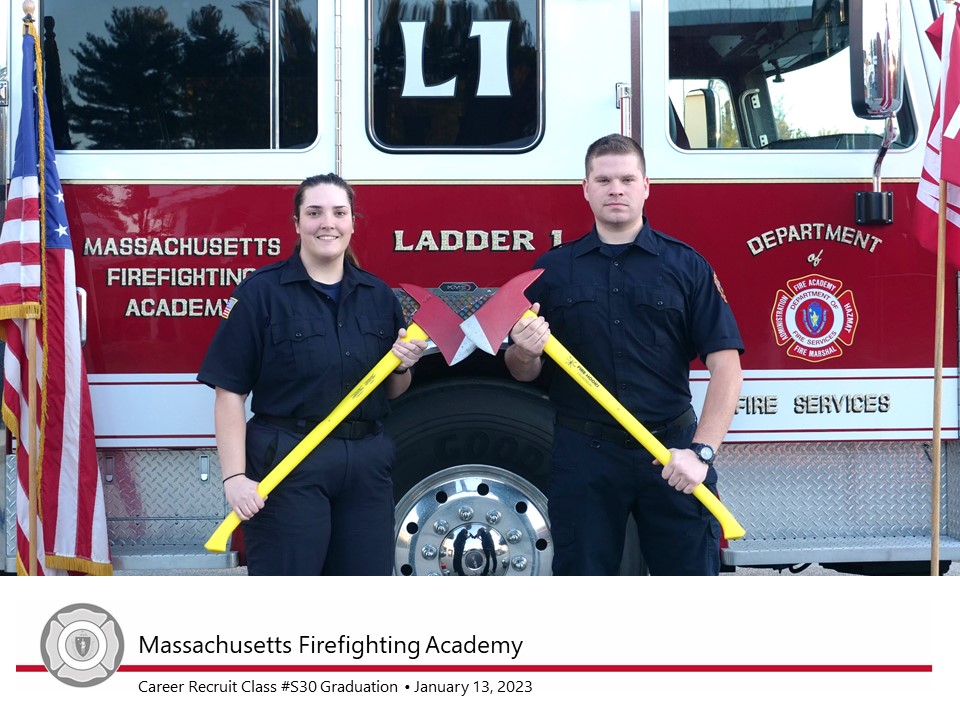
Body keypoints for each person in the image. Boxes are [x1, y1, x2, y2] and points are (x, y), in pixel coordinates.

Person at [505, 134, 743, 576]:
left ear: (646, 186)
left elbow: (726, 365)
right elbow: (522, 371)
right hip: (585, 457)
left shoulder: (686, 266)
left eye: (627, 179)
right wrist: (524, 350)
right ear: (586, 189)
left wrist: (701, 453)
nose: (616, 189)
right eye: (605, 179)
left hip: (672, 454)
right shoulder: (551, 271)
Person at [197, 173, 427, 575]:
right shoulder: (260, 294)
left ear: (353, 222)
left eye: (339, 213)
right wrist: (234, 477)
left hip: (366, 467)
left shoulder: (378, 296)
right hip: (289, 463)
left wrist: (404, 364)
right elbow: (228, 392)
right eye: (315, 212)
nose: (328, 223)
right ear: (297, 223)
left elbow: (392, 390)